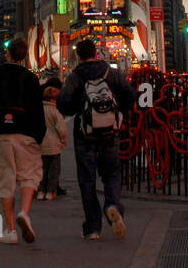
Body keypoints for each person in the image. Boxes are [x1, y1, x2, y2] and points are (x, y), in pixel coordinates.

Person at [57, 40, 132, 241]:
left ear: (78, 56)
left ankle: (92, 227)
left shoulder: (75, 76)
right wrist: (118, 112)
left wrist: (77, 109)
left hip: (85, 135)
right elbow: (130, 95)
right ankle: (113, 206)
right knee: (112, 174)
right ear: (96, 53)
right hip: (110, 132)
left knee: (87, 180)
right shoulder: (111, 73)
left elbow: (63, 103)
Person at [0, 36, 46, 244]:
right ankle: (24, 211)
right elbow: (38, 111)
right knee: (29, 175)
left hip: (2, 134)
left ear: (8, 52)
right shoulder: (31, 78)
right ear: (24, 56)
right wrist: (39, 136)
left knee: (6, 180)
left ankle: (11, 230)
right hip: (26, 132)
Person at [38, 78, 68, 201]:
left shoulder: (40, 110)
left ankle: (41, 191)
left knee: (42, 170)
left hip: (41, 146)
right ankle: (51, 191)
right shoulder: (55, 111)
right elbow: (62, 129)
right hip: (54, 146)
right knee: (54, 170)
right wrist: (63, 141)